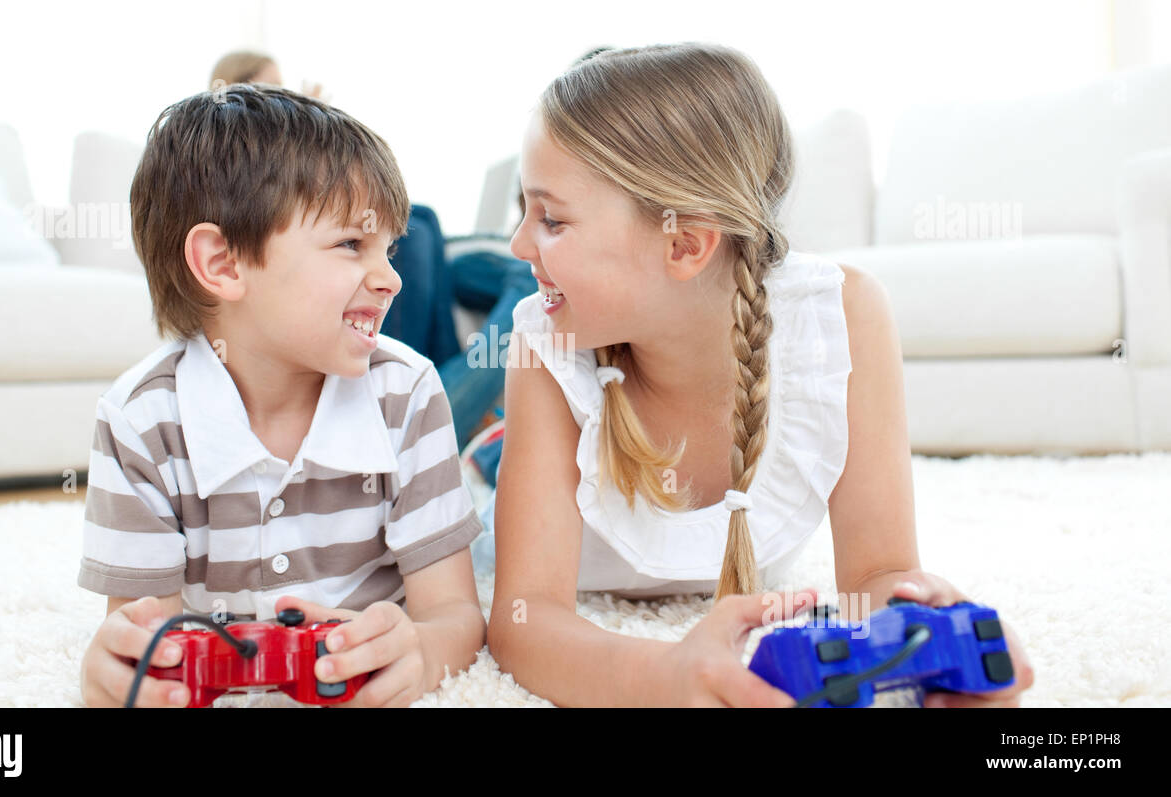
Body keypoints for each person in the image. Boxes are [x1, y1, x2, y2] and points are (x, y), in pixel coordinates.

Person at [487, 43, 1035, 707]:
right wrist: (660, 675)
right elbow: (524, 623)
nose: (518, 245)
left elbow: (878, 572)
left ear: (685, 244)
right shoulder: (546, 340)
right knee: (472, 472)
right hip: (501, 472)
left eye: (549, 218)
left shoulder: (845, 316)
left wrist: (923, 631)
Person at [77, 84, 485, 708]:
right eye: (352, 244)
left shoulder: (407, 392)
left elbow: (455, 613)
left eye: (389, 248)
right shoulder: (141, 420)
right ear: (224, 264)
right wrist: (119, 671)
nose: (392, 278)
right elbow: (141, 637)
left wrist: (423, 651)